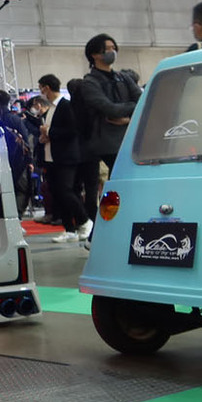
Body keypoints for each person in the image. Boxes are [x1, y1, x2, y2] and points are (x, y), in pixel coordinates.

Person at [72, 34, 142, 246]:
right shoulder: (89, 83)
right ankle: (99, 236)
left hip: (128, 139)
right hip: (107, 143)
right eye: (107, 48)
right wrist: (129, 109)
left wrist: (126, 116)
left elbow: (141, 99)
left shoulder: (123, 77)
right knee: (118, 188)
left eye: (113, 47)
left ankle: (102, 236)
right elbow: (107, 108)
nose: (112, 51)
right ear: (95, 54)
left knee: (119, 189)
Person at [37, 74, 85, 242]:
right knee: (57, 193)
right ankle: (69, 229)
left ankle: (84, 220)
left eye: (41, 88)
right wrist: (44, 136)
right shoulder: (50, 109)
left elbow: (72, 131)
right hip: (51, 157)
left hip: (66, 157)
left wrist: (48, 132)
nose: (41, 92)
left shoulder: (65, 105)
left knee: (66, 191)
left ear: (47, 88)